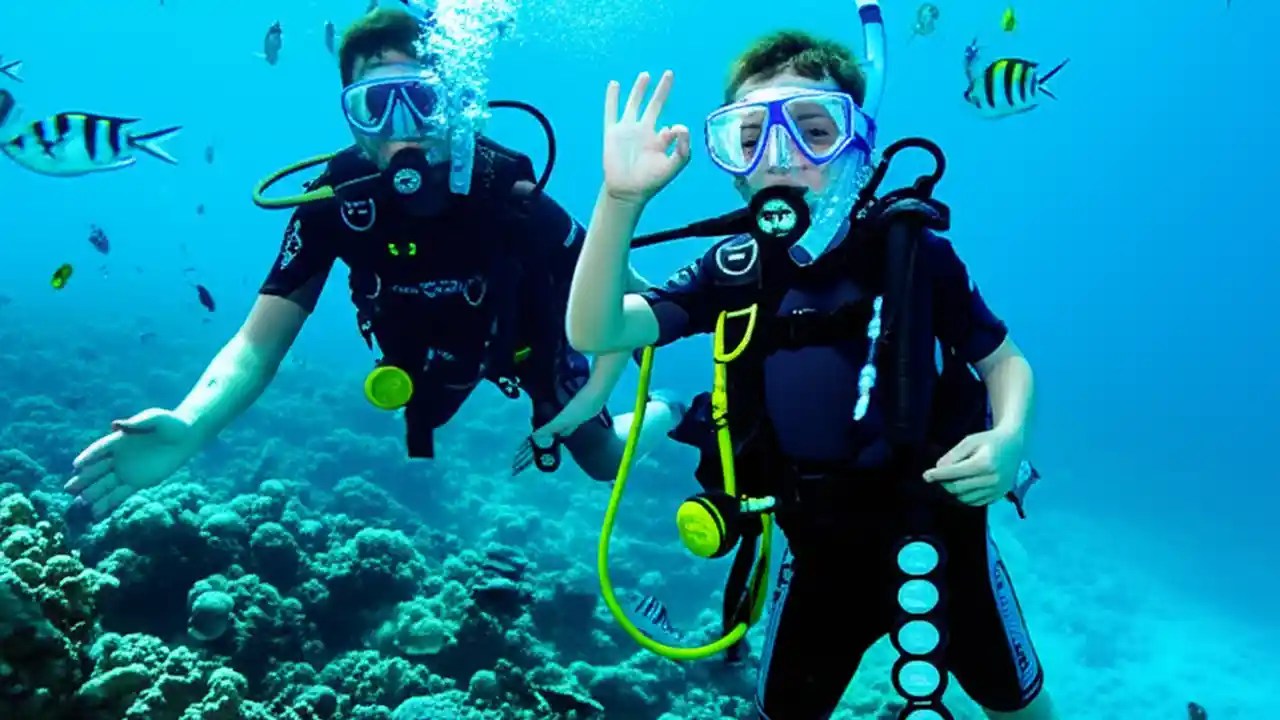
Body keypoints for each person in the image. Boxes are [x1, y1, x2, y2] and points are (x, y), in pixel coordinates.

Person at [565, 11, 1058, 720]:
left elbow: (1003, 362)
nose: (780, 155)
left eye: (813, 131)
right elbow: (595, 329)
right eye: (750, 137)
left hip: (941, 534)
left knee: (1025, 712)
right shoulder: (732, 269)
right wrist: (619, 201)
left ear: (858, 143)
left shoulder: (914, 256)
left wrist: (1008, 440)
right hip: (814, 549)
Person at [66, 7, 681, 519]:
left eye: (419, 100)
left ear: (452, 106)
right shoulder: (335, 203)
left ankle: (671, 409)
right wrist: (193, 424)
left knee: (602, 461)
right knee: (426, 416)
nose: (399, 130)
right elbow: (257, 344)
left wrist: (643, 340)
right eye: (374, 107)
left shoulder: (504, 190)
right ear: (353, 122)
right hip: (426, 359)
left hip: (527, 346)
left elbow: (623, 288)